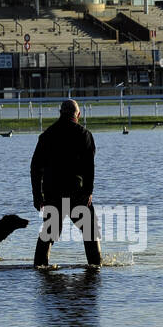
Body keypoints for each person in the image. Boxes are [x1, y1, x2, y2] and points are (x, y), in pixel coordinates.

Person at [30, 98, 102, 267]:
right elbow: (89, 168)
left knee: (49, 231)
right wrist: (88, 191)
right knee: (90, 231)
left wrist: (37, 196)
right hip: (76, 192)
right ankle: (96, 267)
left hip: (52, 192)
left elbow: (35, 168)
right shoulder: (84, 134)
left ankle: (39, 268)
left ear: (61, 113)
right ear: (78, 114)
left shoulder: (46, 136)